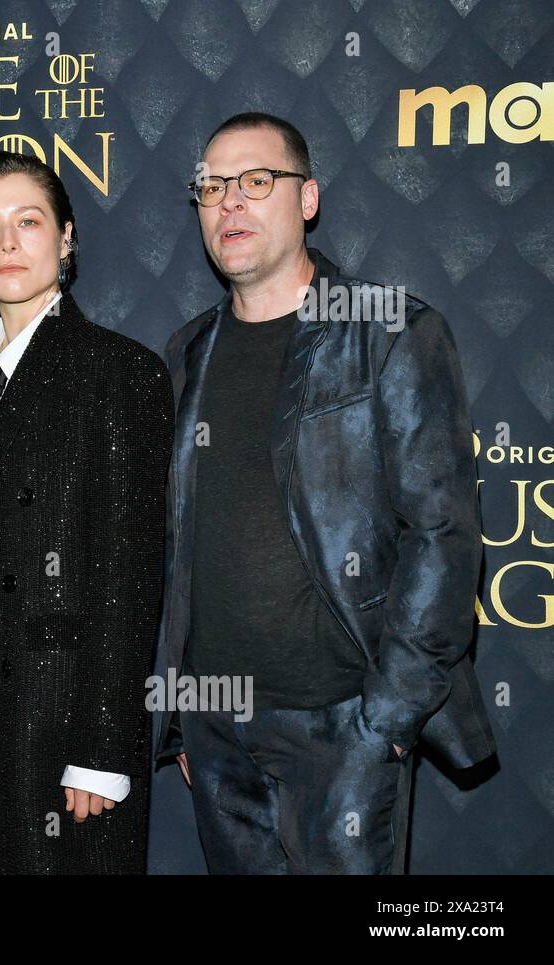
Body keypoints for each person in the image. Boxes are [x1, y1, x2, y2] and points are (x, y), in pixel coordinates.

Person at [156, 112, 497, 874]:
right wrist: (186, 717)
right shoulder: (185, 353)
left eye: (255, 181)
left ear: (307, 199)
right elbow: (173, 547)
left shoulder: (390, 331)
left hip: (346, 729)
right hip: (216, 735)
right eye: (211, 187)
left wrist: (387, 721)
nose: (230, 204)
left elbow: (443, 533)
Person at [0, 151, 173, 874]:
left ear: (66, 237)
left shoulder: (120, 370)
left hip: (51, 710)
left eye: (28, 222)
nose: (8, 243)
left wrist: (102, 748)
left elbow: (130, 571)